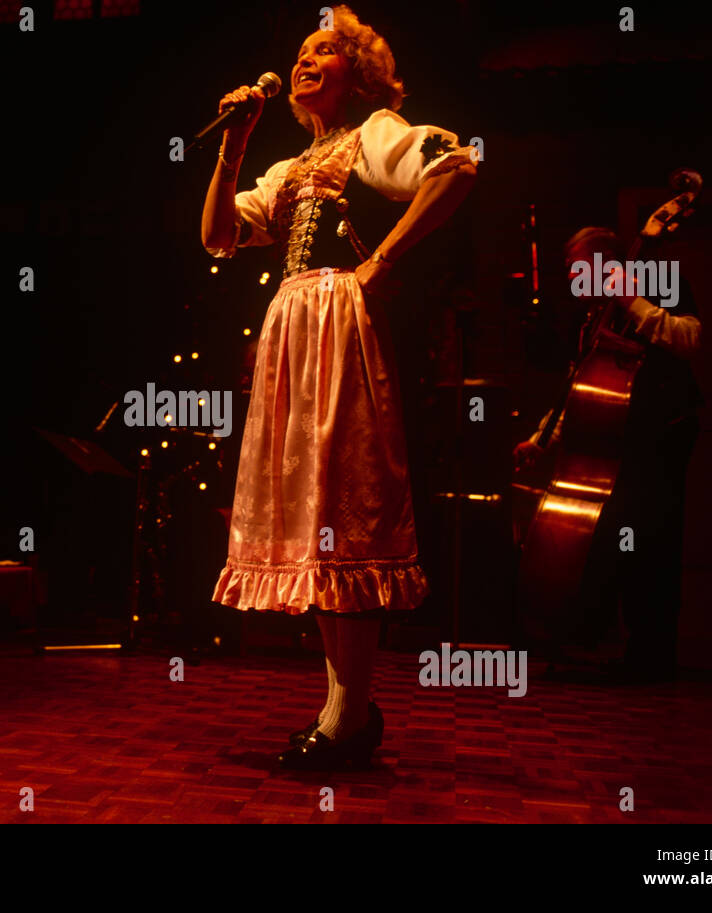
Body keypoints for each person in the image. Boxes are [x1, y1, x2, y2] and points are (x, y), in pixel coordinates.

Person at [202, 5, 477, 769]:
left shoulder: (376, 134)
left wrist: (385, 258)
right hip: (292, 334)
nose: (306, 59)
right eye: (300, 50)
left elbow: (458, 166)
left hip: (339, 326)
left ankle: (349, 711)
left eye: (325, 49)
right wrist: (235, 145)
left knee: (343, 511)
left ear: (357, 69)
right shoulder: (289, 169)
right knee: (310, 519)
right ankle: (343, 705)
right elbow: (219, 236)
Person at [513, 227, 701, 682]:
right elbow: (583, 389)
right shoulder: (595, 316)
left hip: (662, 435)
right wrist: (542, 438)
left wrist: (633, 302)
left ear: (607, 263)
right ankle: (614, 645)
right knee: (620, 543)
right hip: (618, 445)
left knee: (653, 547)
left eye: (581, 268)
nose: (576, 279)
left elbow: (690, 338)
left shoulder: (658, 278)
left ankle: (652, 657)